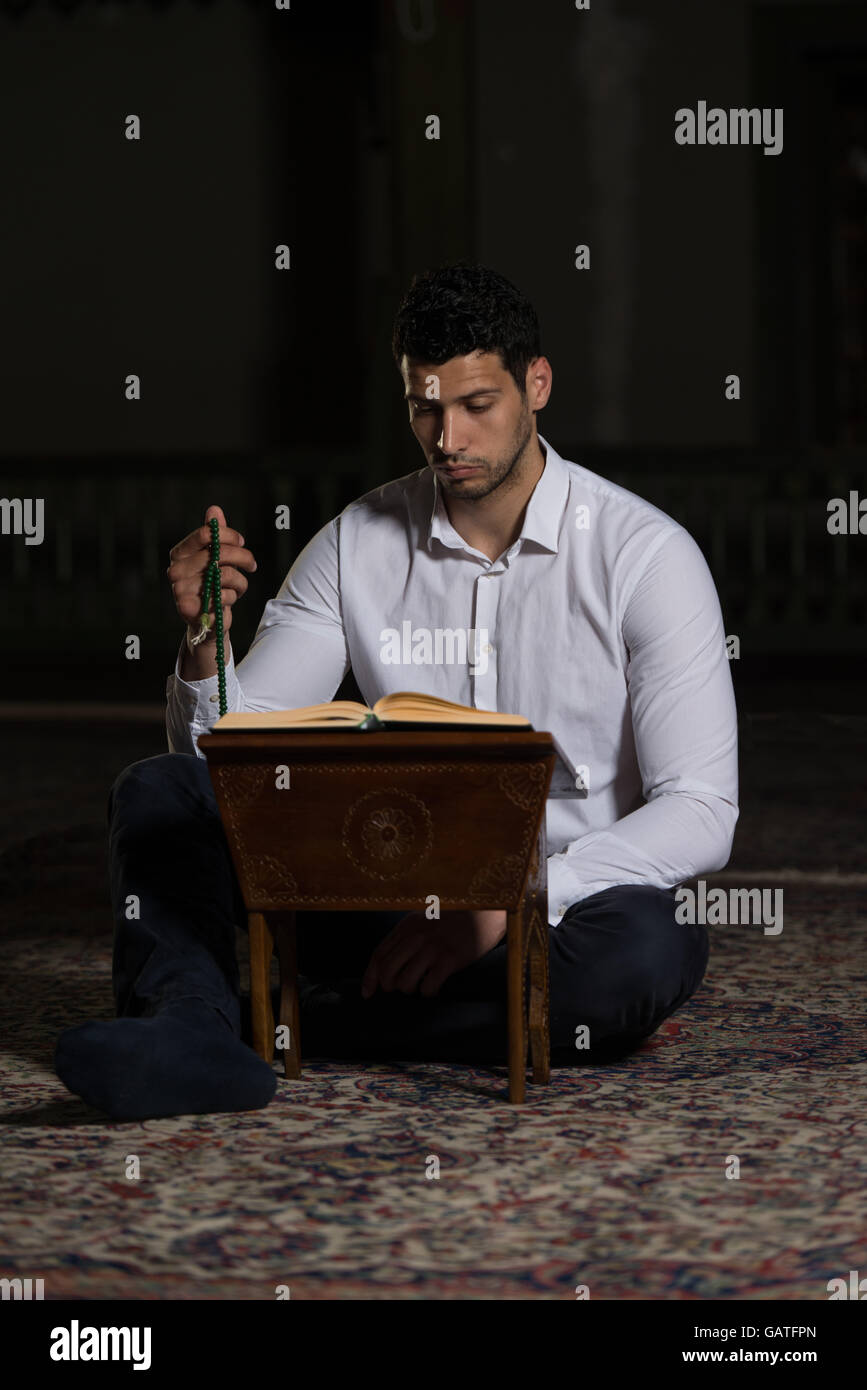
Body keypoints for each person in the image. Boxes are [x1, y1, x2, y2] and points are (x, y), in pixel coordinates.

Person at [54, 262, 738, 1120]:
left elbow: (701, 807)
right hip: (373, 888)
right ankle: (189, 1030)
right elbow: (221, 762)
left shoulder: (645, 556)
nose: (446, 437)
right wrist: (204, 646)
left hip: (554, 914)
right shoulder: (353, 544)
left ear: (537, 385)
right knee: (158, 794)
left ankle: (282, 1022)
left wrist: (506, 897)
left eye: (476, 406)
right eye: (424, 406)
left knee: (646, 953)